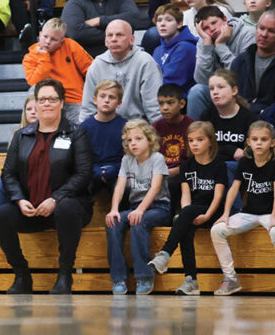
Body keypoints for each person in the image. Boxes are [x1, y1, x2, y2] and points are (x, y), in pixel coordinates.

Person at [0, 78, 92, 294]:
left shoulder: (76, 133)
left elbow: (83, 174)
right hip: (32, 208)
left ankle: (65, 275)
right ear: (35, 104)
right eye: (42, 99)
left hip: (67, 209)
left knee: (66, 208)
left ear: (62, 103)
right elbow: (8, 175)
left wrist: (56, 198)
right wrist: (19, 199)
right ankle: (21, 274)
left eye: (52, 99)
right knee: (0, 216)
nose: (46, 104)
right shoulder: (22, 135)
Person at [148, 121, 226, 295]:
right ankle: (191, 280)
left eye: (199, 139)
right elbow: (186, 194)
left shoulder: (219, 163)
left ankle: (165, 254)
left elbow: (218, 196)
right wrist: (186, 213)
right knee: (184, 225)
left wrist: (206, 216)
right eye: (191, 140)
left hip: (213, 211)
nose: (195, 144)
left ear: (211, 141)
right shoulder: (187, 165)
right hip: (193, 211)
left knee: (185, 216)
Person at [210, 121, 275, 295]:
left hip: (270, 213)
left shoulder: (273, 163)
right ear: (248, 142)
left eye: (264, 139)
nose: (259, 143)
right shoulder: (245, 163)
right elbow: (233, 189)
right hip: (249, 213)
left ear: (272, 142)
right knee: (217, 230)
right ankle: (231, 278)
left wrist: (274, 217)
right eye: (255, 139)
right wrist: (225, 214)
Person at [105, 119, 170, 295]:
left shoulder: (157, 158)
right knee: (114, 222)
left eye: (138, 138)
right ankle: (119, 277)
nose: (133, 143)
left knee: (138, 222)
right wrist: (114, 209)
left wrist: (141, 210)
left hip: (158, 207)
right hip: (135, 206)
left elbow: (156, 187)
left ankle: (144, 275)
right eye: (129, 140)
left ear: (149, 140)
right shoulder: (127, 160)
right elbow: (119, 186)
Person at [80, 19, 163, 123]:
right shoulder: (97, 65)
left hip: (138, 127)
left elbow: (154, 107)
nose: (114, 39)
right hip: (105, 125)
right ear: (105, 41)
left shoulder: (145, 62)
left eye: (119, 35)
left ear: (132, 39)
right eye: (110, 35)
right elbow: (88, 108)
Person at [188, 5, 255, 119]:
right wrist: (207, 46)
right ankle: (195, 135)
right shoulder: (205, 41)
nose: (212, 29)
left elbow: (241, 77)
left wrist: (220, 46)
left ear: (225, 19)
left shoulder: (248, 34)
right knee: (196, 91)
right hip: (217, 91)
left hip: (243, 91)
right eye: (205, 28)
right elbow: (201, 80)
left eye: (214, 23)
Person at [22, 18, 92, 125]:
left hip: (73, 99)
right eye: (45, 37)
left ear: (61, 41)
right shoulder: (30, 57)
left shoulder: (71, 46)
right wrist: (44, 57)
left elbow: (91, 71)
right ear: (40, 35)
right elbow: (35, 82)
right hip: (47, 101)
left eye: (54, 39)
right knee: (33, 90)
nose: (48, 42)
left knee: (82, 128)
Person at [228, 9, 275, 120]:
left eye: (271, 31)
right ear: (256, 28)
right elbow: (232, 97)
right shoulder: (241, 61)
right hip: (242, 119)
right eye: (261, 28)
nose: (264, 34)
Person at [82, 81, 127, 191]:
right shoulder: (84, 127)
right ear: (95, 100)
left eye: (112, 97)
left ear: (119, 103)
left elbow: (129, 157)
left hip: (118, 171)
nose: (106, 100)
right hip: (92, 170)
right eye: (102, 96)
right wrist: (96, 171)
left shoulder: (126, 127)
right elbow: (82, 157)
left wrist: (114, 170)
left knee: (125, 188)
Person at [153, 83, 193, 200]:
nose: (165, 107)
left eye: (170, 103)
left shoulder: (191, 126)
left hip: (182, 173)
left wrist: (174, 171)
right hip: (160, 172)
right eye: (161, 103)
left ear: (181, 104)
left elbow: (194, 160)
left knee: (171, 185)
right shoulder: (156, 127)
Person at [151, 3, 198, 95]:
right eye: (159, 20)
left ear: (179, 24)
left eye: (168, 20)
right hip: (158, 96)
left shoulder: (186, 48)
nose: (163, 24)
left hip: (177, 100)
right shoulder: (157, 50)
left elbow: (171, 83)